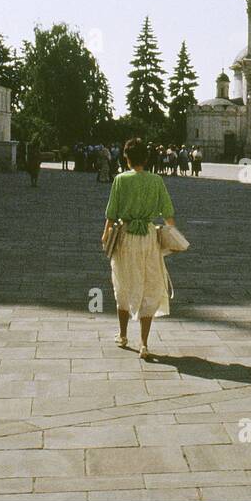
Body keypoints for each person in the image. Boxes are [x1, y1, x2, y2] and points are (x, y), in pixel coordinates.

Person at [102, 137, 177, 358]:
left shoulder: (120, 180)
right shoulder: (156, 181)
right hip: (148, 237)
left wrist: (106, 233)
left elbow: (111, 212)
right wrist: (172, 234)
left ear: (126, 158)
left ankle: (123, 335)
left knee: (123, 282)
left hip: (125, 236)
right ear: (146, 158)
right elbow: (168, 212)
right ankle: (144, 343)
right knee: (150, 284)